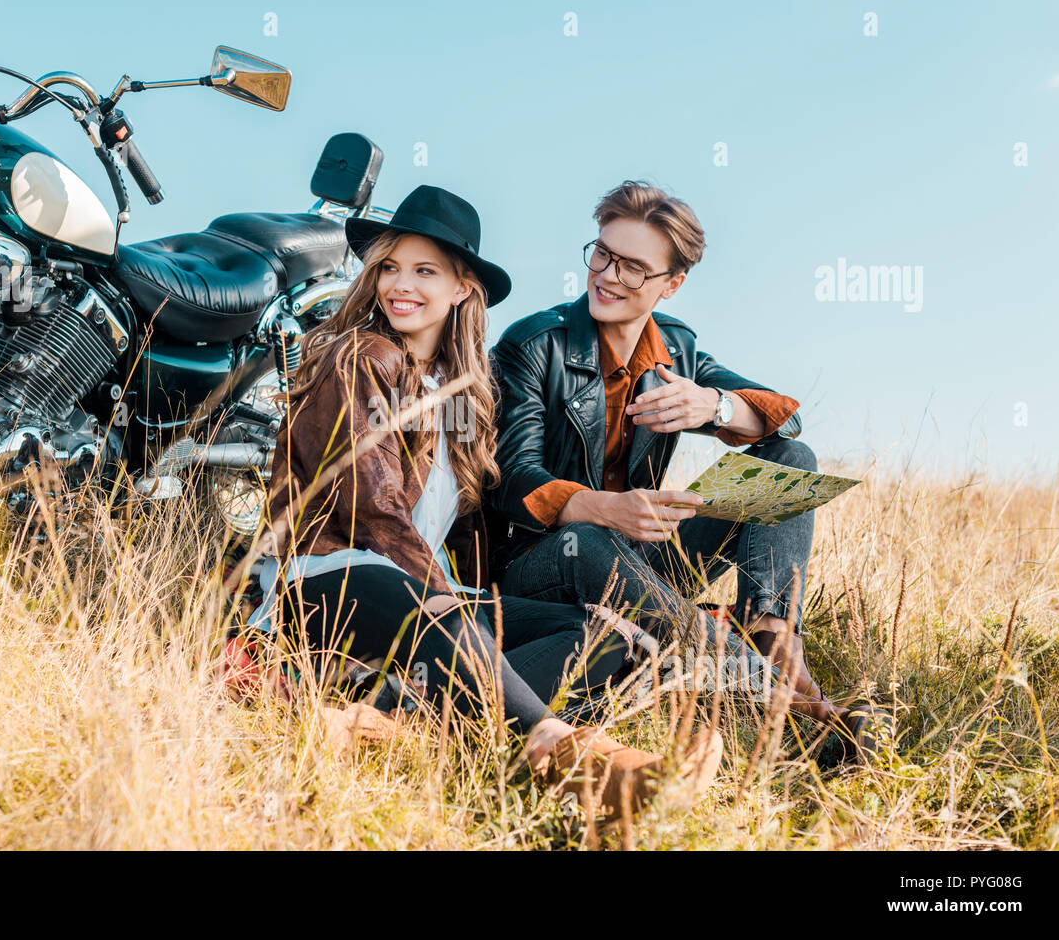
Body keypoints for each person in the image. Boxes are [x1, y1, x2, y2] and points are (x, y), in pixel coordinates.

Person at [249, 185, 723, 817]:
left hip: (423, 595)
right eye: (389, 267)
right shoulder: (360, 356)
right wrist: (448, 599)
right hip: (327, 583)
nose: (400, 285)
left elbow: (469, 526)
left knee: (613, 637)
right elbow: (370, 507)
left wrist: (478, 606)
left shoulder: (464, 393)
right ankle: (562, 753)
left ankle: (386, 725)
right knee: (436, 605)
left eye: (425, 271)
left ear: (462, 288)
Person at [488, 180, 881, 752]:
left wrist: (717, 405)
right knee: (590, 540)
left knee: (790, 461)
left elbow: (786, 420)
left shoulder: (677, 347)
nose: (607, 276)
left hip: (641, 558)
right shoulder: (533, 343)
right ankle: (785, 708)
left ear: (672, 285)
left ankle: (769, 632)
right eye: (603, 254)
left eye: (633, 268)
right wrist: (606, 510)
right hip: (541, 566)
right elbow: (511, 479)